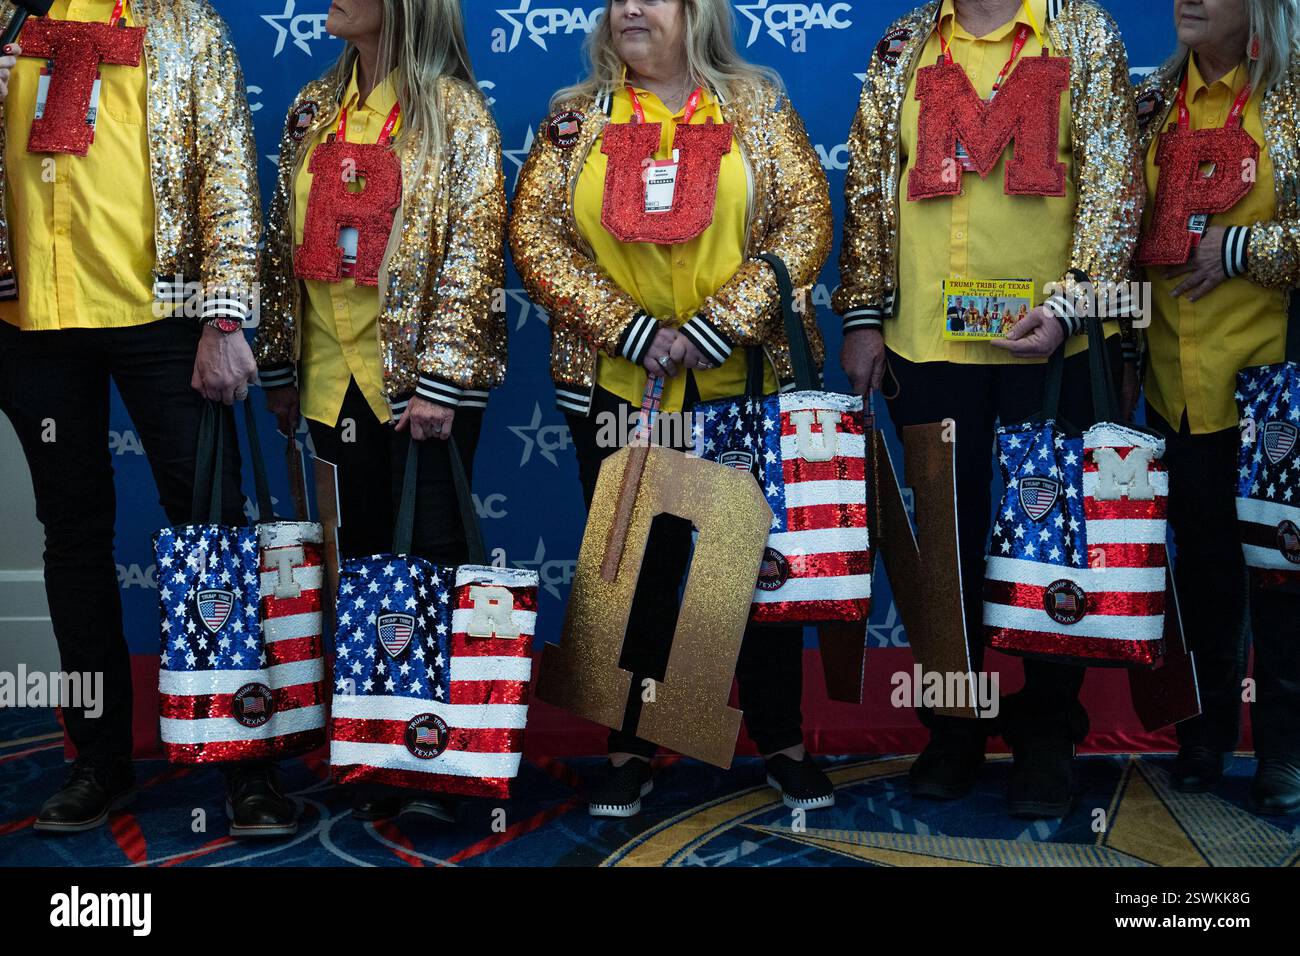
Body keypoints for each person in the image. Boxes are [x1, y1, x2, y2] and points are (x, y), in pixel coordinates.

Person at [510, 0, 835, 817]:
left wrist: (723, 321)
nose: (629, 8)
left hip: (741, 382)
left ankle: (780, 738)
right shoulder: (573, 121)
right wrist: (628, 328)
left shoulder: (755, 105)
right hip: (621, 387)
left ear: (698, 15)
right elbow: (535, 236)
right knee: (636, 572)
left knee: (749, 569)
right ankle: (631, 744)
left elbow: (806, 221)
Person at [837, 0, 1142, 817]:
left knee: (1050, 546)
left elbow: (1115, 182)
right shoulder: (904, 39)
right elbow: (871, 183)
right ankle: (953, 728)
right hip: (924, 351)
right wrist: (863, 312)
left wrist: (1077, 305)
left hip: (1049, 350)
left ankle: (1048, 735)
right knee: (945, 556)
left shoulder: (1084, 30)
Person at [0, 0, 280, 836]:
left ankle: (245, 762)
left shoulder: (183, 20)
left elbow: (228, 170)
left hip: (167, 318)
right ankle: (99, 763)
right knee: (72, 538)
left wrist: (225, 318)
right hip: (34, 325)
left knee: (211, 531)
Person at [255, 0, 507, 823]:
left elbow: (474, 249)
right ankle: (371, 751)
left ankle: (434, 762)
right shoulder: (312, 106)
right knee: (357, 561)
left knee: (427, 563)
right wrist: (282, 363)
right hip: (330, 377)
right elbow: (275, 238)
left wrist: (440, 377)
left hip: (416, 382)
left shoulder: (453, 111)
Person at [1132, 0, 1300, 813]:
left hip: (1274, 390)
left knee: (1286, 583)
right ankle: (1201, 739)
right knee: (1200, 577)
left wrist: (1240, 247)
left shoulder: (1293, 97)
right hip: (1173, 389)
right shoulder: (1146, 107)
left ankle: (1285, 754)